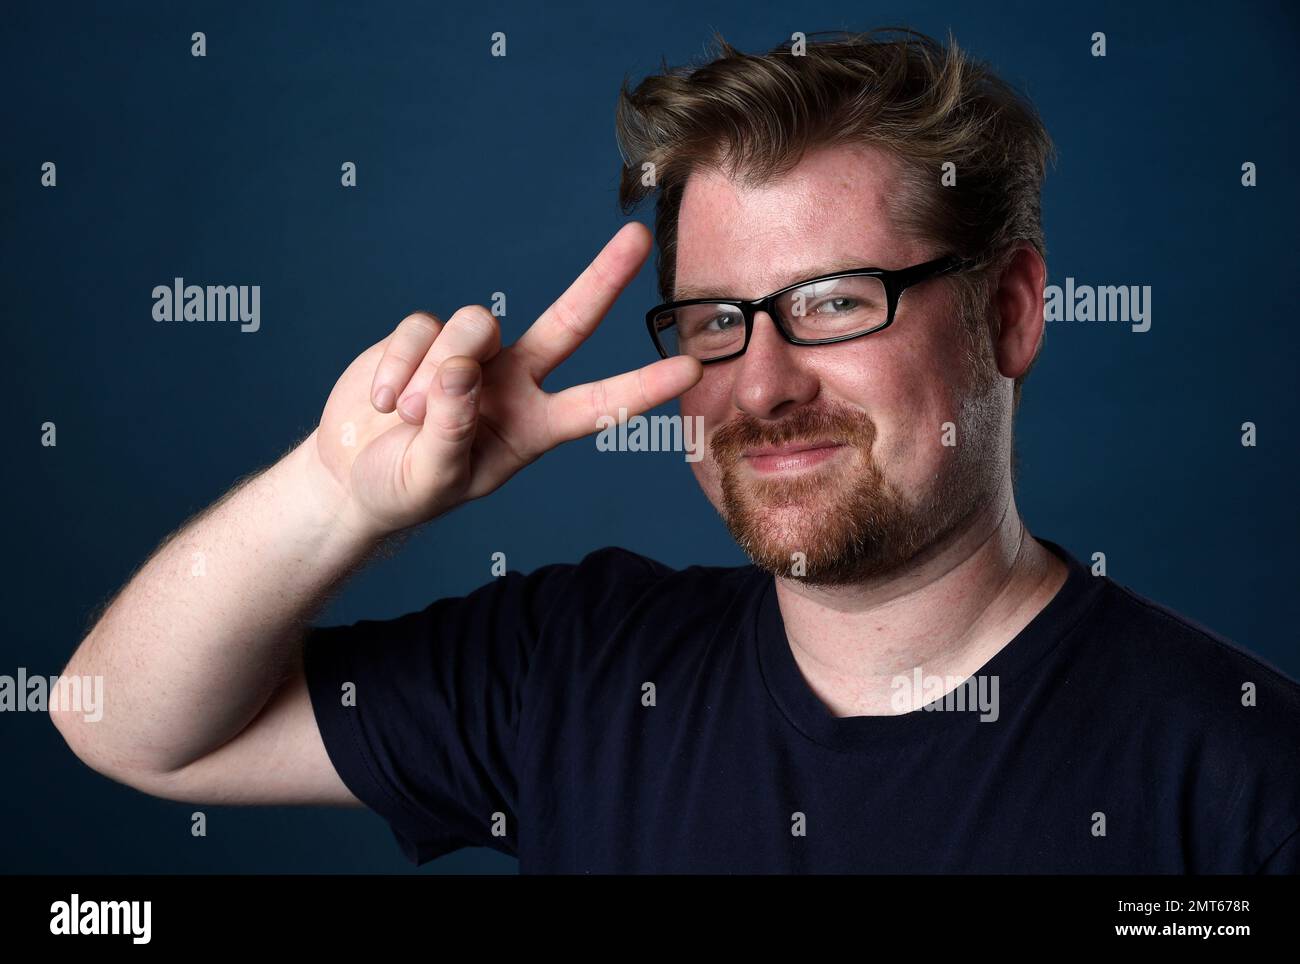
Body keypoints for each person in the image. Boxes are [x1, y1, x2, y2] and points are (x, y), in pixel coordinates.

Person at [51, 28, 1300, 873]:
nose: (759, 384)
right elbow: (129, 727)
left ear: (1011, 311)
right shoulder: (574, 668)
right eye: (716, 321)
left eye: (830, 301)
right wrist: (338, 497)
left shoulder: (1238, 775)